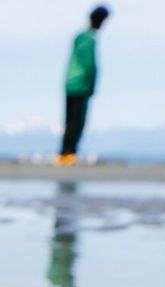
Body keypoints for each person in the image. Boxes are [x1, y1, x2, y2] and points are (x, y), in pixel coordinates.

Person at [56, 6, 110, 167]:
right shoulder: (88, 39)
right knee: (76, 120)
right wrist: (92, 85)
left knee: (69, 119)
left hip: (70, 82)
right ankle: (68, 152)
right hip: (80, 84)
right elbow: (89, 65)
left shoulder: (80, 36)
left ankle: (66, 152)